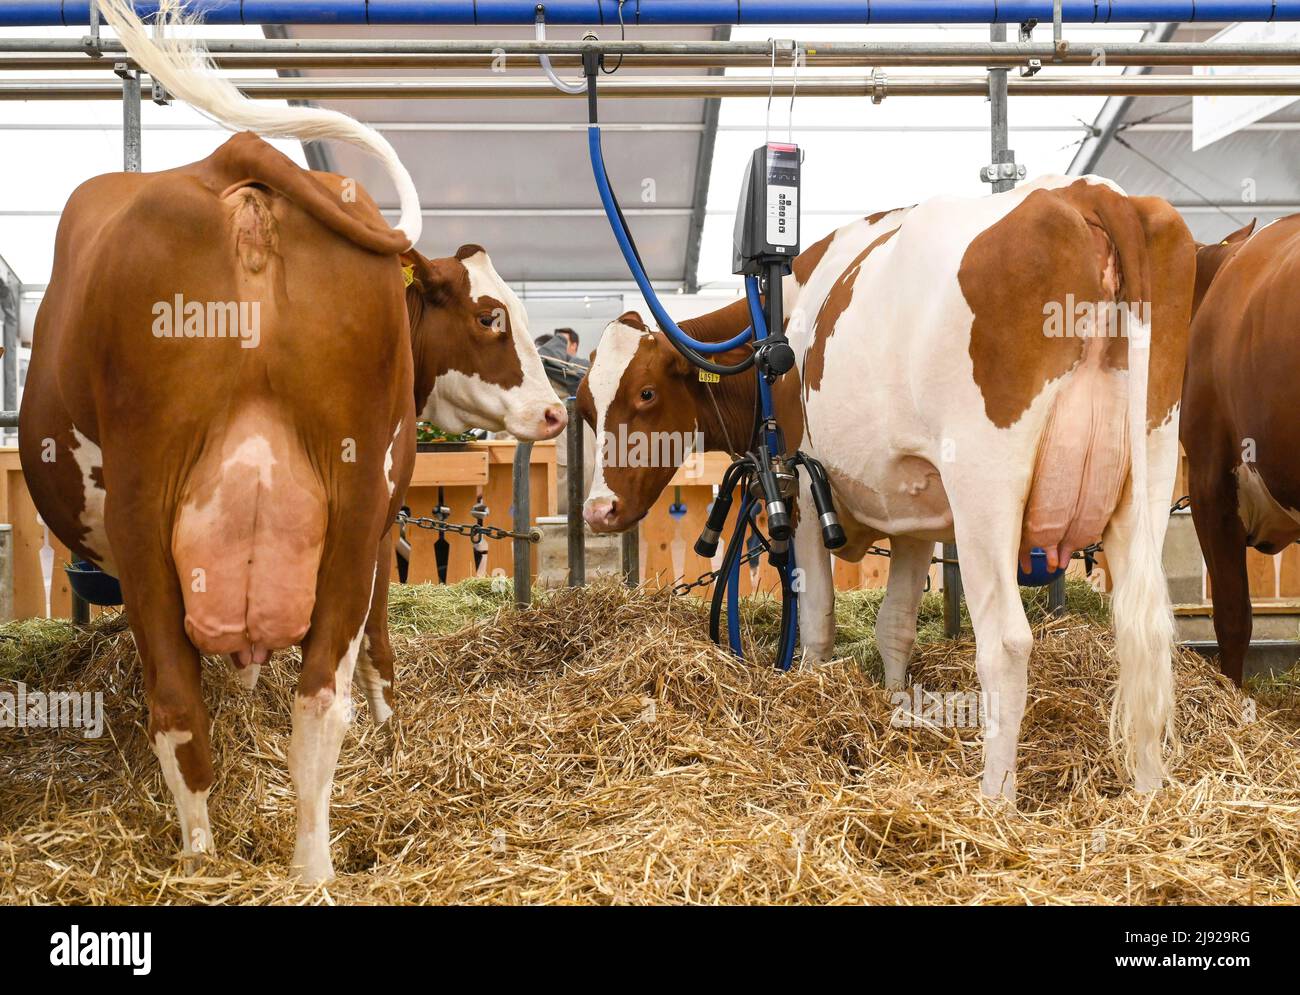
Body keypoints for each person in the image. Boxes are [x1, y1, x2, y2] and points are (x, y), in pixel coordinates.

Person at [538, 327, 588, 396]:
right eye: (554, 340)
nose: (557, 344)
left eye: (564, 341)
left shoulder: (585, 366)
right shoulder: (547, 363)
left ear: (574, 345)